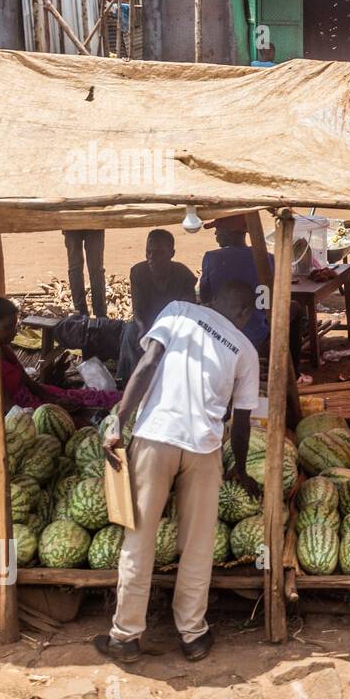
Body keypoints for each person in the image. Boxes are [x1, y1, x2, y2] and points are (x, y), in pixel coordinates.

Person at [97, 282, 263, 664]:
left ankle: (126, 637)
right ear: (244, 315)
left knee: (138, 539)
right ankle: (193, 634)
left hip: (156, 438)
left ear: (211, 297)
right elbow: (240, 423)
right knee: (197, 546)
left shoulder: (179, 311)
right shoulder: (246, 351)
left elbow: (147, 364)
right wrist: (239, 466)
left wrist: (118, 422)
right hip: (204, 450)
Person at [0, 297, 120, 412]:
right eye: (8, 327)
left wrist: (54, 398)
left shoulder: (2, 347)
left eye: (14, 326)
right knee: (75, 417)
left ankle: (129, 400)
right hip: (8, 411)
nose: (15, 331)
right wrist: (53, 409)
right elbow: (5, 407)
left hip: (22, 396)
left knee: (82, 397)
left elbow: (29, 383)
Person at [198, 216, 307, 379]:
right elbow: (276, 295)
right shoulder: (267, 257)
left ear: (230, 233)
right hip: (260, 332)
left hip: (222, 334)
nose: (216, 234)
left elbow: (205, 295)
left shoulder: (211, 258)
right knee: (296, 308)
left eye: (218, 230)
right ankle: (294, 372)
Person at [118, 229, 197, 381]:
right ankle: (127, 381)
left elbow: (189, 312)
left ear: (172, 253)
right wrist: (143, 329)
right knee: (130, 330)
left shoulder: (184, 275)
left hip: (175, 327)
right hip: (147, 324)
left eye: (159, 253)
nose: (151, 258)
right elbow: (138, 309)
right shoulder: (138, 272)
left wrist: (168, 332)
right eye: (148, 252)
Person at [62, 229, 107, 318]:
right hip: (94, 222)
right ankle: (100, 314)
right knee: (96, 269)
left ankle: (80, 312)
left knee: (76, 268)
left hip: (72, 222)